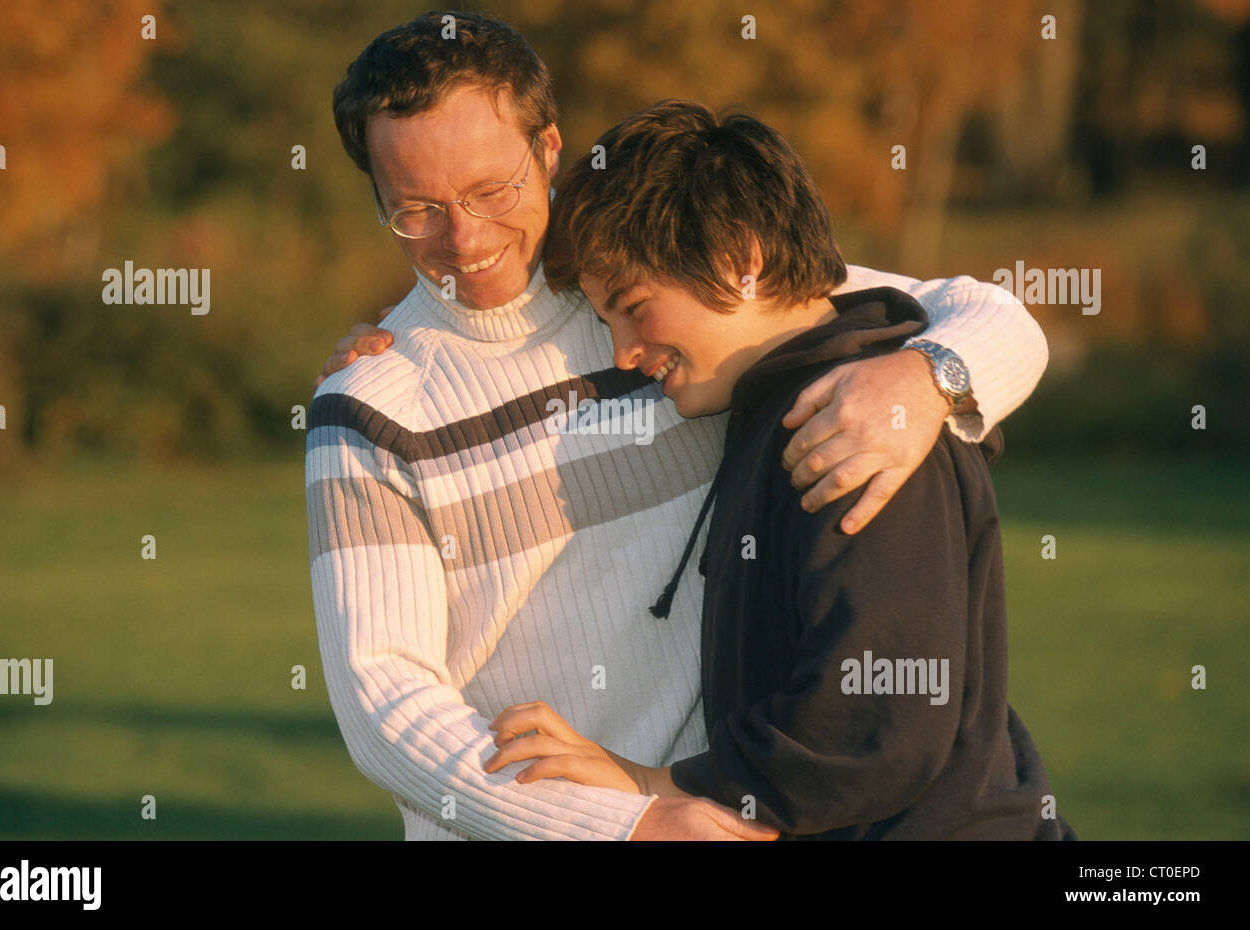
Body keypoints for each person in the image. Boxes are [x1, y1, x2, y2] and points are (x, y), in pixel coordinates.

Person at [308, 10, 1049, 841]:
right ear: (378, 195)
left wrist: (924, 379)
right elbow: (387, 705)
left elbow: (977, 310)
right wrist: (624, 824)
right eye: (416, 209)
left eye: (492, 190)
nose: (465, 238)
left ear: (549, 149)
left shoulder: (657, 284)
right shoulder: (369, 406)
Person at [480, 100, 1074, 839]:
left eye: (633, 308)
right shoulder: (772, 404)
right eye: (606, 321)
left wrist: (651, 786)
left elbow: (873, 727)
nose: (623, 353)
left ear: (740, 259)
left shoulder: (850, 419)